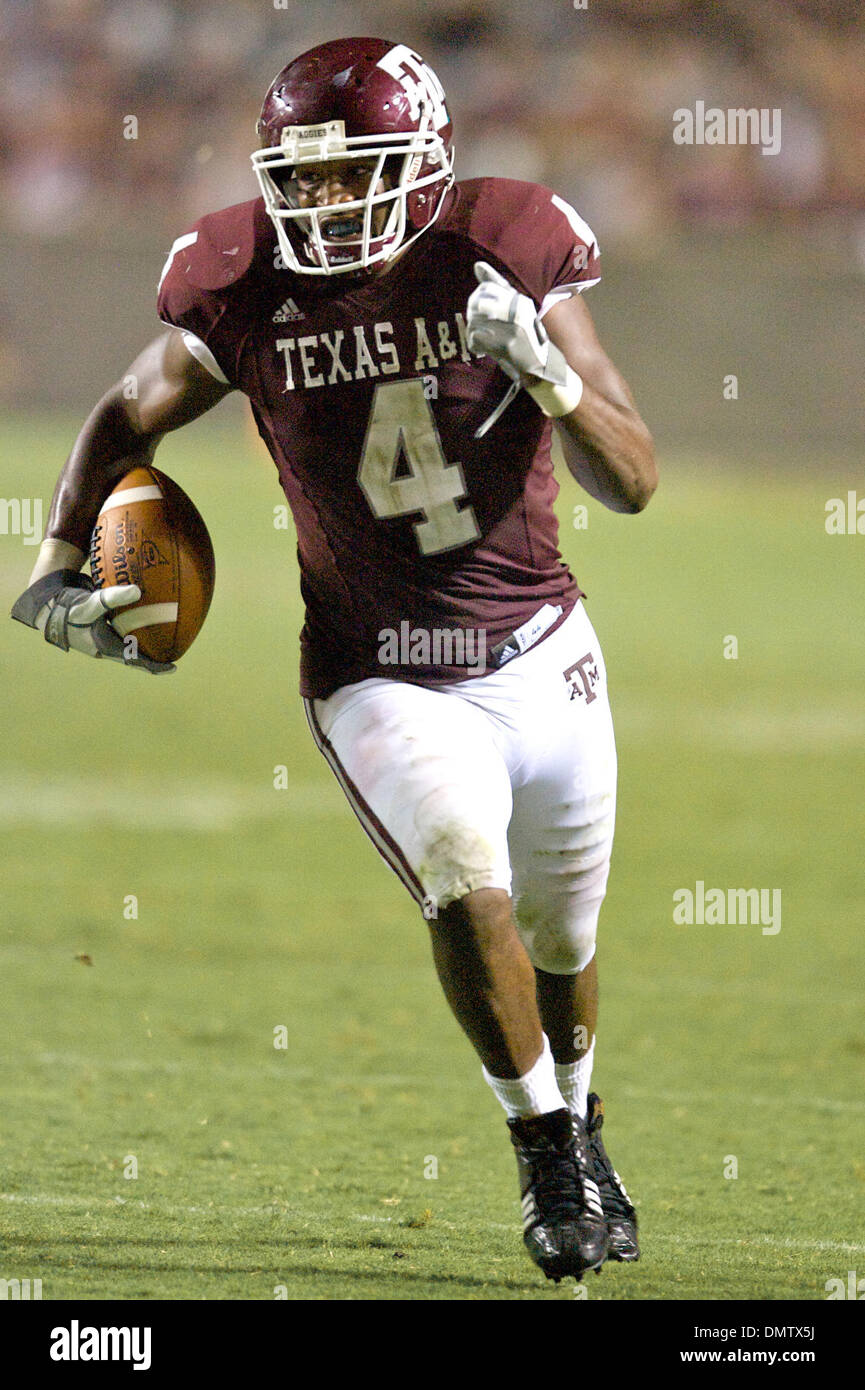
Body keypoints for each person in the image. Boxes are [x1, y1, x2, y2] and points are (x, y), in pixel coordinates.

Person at [12, 37, 657, 1285]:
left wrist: (547, 373)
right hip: (378, 670)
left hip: (541, 647)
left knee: (563, 940)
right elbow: (127, 409)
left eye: (347, 173)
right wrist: (52, 558)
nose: (318, 204)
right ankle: (541, 1154)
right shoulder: (238, 278)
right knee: (465, 884)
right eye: (294, 181)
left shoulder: (506, 243)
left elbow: (632, 479)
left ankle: (580, 1123)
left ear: (422, 164)